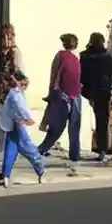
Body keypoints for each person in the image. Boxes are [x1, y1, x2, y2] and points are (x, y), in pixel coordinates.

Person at [38, 33, 83, 175]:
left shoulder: (61, 57)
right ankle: (74, 156)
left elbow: (55, 76)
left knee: (57, 126)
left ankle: (41, 149)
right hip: (74, 95)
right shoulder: (75, 59)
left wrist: (52, 93)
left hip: (63, 94)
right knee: (74, 127)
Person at [80, 32, 112, 164]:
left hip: (88, 92)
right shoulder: (107, 58)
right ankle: (102, 150)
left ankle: (79, 149)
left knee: (84, 121)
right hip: (103, 92)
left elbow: (82, 75)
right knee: (102, 122)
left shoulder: (85, 56)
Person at [0, 70, 44, 188]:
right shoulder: (16, 93)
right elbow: (21, 107)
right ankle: (40, 170)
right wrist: (28, 118)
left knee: (11, 149)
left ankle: (6, 174)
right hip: (18, 124)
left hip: (12, 125)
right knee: (28, 148)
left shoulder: (12, 93)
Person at [0, 23, 25, 107]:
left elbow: (20, 75)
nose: (6, 41)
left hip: (12, 94)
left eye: (9, 38)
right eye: (3, 38)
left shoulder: (15, 52)